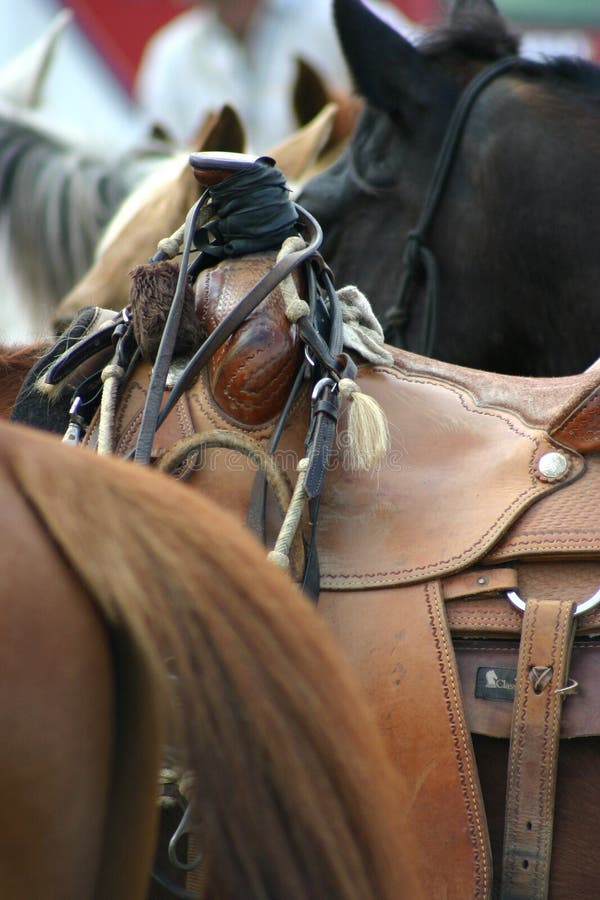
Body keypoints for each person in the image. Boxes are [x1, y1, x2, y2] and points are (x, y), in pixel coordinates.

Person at [134, 0, 418, 150]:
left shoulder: (333, 13)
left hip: (335, 233)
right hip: (228, 248)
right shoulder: (170, 56)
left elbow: (426, 75)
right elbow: (153, 172)